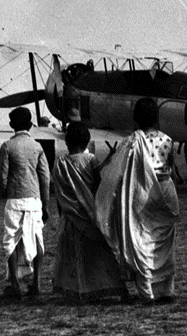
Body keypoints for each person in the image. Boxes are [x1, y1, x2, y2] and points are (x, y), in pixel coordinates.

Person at [95, 97, 179, 305]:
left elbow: (118, 171)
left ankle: (147, 291)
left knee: (140, 238)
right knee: (163, 241)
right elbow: (171, 168)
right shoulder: (168, 140)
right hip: (166, 190)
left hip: (141, 191)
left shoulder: (132, 141)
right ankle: (167, 290)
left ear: (136, 118)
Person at [50, 122, 130, 304]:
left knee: (72, 256)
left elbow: (59, 194)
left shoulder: (60, 163)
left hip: (70, 217)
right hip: (90, 215)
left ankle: (76, 291)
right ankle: (115, 287)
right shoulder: (91, 159)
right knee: (100, 254)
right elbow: (97, 184)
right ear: (87, 142)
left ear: (67, 142)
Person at [0, 107, 50, 298]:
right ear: (30, 124)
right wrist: (46, 203)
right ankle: (36, 284)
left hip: (15, 199)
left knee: (11, 241)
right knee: (37, 240)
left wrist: (3, 193)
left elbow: (2, 177)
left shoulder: (7, 146)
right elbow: (45, 178)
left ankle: (15, 285)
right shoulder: (37, 147)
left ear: (11, 125)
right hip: (34, 200)